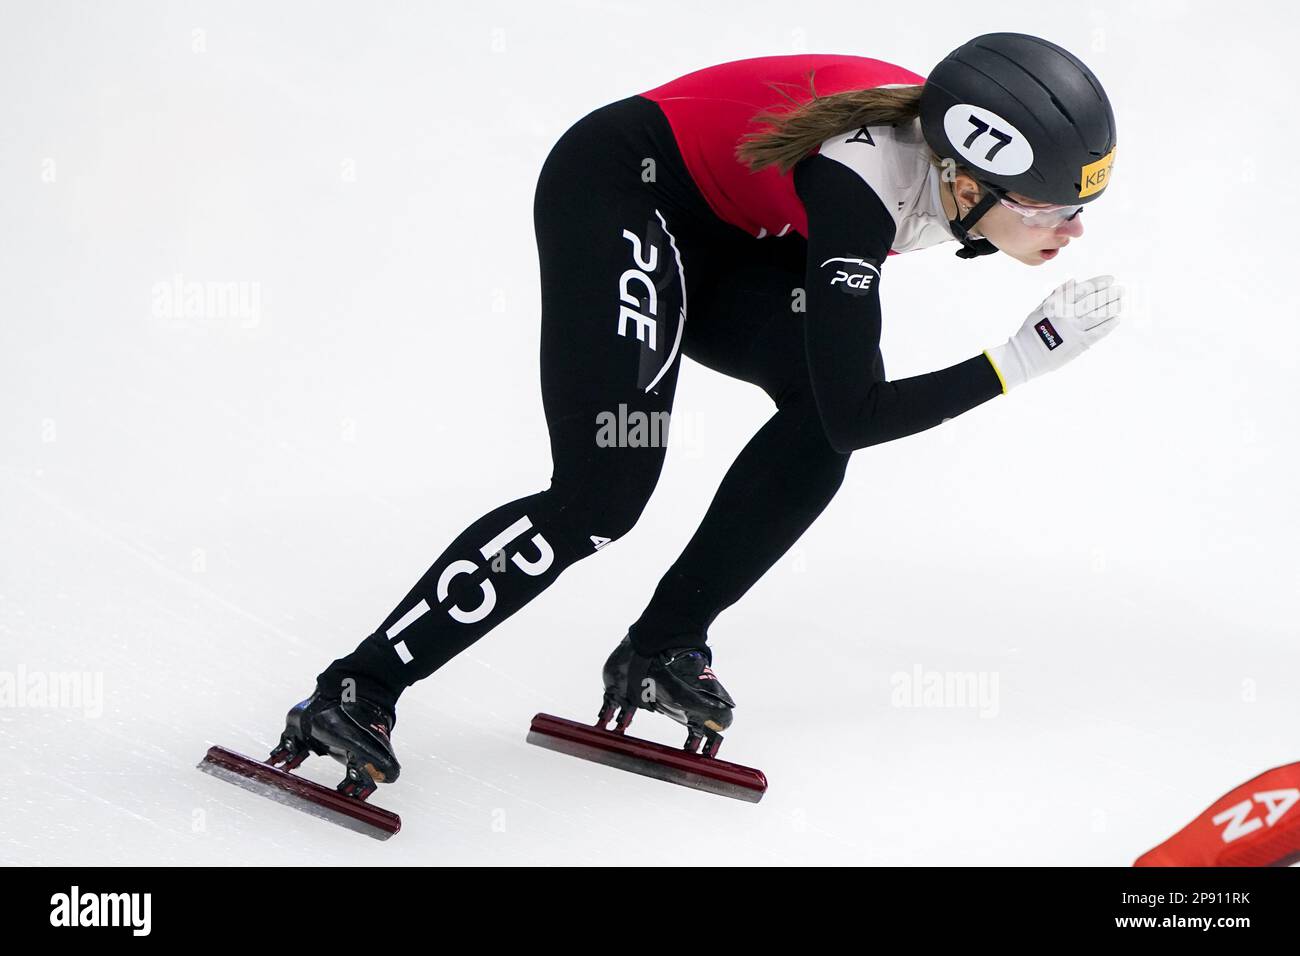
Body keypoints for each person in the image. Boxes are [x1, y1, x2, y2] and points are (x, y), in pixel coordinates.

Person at [269, 33, 1123, 797]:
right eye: (1051, 209)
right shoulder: (861, 188)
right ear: (967, 179)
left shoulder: (937, 158)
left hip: (726, 231)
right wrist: (1016, 361)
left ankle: (662, 647)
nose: (1072, 230)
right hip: (619, 194)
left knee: (815, 433)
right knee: (602, 495)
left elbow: (838, 416)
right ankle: (359, 686)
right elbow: (863, 413)